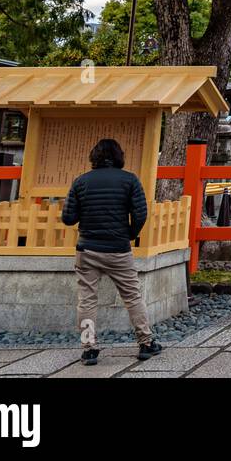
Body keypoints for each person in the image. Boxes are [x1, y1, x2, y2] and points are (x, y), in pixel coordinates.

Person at [62, 138, 163, 366]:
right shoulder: (130, 180)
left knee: (87, 300)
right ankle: (146, 343)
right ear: (119, 156)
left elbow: (68, 218)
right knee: (132, 296)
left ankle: (89, 348)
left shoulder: (81, 182)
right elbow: (140, 213)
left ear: (94, 157)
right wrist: (129, 234)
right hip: (118, 249)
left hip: (88, 249)